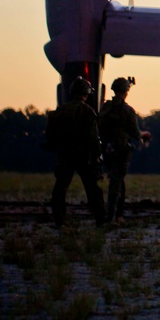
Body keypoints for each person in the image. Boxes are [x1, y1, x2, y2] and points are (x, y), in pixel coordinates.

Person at [48, 77, 106, 227]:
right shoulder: (88, 112)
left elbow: (51, 134)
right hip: (84, 155)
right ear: (86, 94)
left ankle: (59, 219)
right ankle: (100, 220)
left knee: (60, 188)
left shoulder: (61, 110)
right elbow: (93, 138)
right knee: (92, 189)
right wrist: (97, 157)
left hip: (65, 154)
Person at [98, 77, 151, 224]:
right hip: (121, 150)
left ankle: (116, 214)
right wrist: (144, 134)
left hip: (107, 149)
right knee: (117, 183)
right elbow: (135, 133)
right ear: (126, 91)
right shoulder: (128, 110)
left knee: (117, 181)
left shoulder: (105, 108)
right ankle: (112, 216)